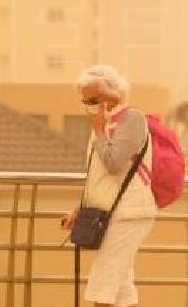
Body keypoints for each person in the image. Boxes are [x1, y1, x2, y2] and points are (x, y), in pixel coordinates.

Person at [61, 65, 157, 307]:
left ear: (116, 92)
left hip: (128, 213)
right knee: (122, 292)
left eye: (95, 98)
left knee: (101, 291)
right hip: (113, 212)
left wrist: (98, 130)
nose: (90, 104)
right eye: (85, 99)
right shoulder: (106, 124)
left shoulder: (132, 119)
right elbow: (99, 177)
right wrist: (81, 208)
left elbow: (114, 164)